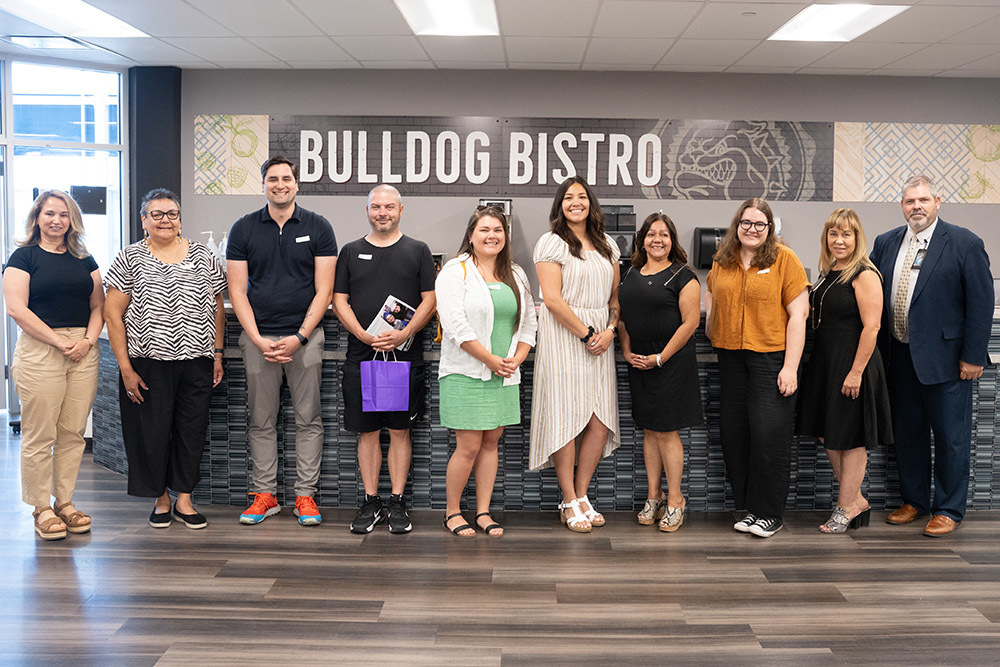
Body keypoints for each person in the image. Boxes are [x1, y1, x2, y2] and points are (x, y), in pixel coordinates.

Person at [870, 174, 994, 537]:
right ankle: (914, 501)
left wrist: (973, 357)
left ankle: (949, 508)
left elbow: (981, 304)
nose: (916, 207)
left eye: (923, 200)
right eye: (910, 202)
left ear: (938, 201)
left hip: (947, 360)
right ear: (902, 205)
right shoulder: (886, 242)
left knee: (951, 437)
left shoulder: (964, 243)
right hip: (900, 357)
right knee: (908, 434)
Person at [104, 189, 227, 529]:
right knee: (151, 433)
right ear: (144, 220)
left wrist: (216, 353)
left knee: (191, 430)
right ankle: (160, 498)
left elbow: (217, 309)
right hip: (147, 363)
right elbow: (112, 315)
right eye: (156, 214)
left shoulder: (203, 255)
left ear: (180, 218)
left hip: (197, 361)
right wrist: (125, 368)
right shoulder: (130, 258)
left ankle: (184, 499)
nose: (165, 220)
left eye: (171, 213)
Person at [226, 156, 337, 526]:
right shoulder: (243, 229)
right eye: (272, 179)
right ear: (263, 184)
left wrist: (300, 336)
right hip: (258, 340)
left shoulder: (319, 227)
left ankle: (305, 496)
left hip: (305, 339)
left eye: (286, 178)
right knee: (261, 421)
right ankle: (265, 495)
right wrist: (257, 339)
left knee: (309, 419)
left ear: (296, 184)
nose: (280, 184)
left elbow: (325, 290)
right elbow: (237, 291)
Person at [333, 184, 437, 534]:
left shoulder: (418, 251)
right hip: (362, 357)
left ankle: (396, 501)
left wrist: (404, 333)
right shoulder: (350, 252)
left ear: (401, 210)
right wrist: (362, 334)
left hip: (402, 360)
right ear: (367, 211)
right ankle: (370, 502)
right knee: (367, 433)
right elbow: (339, 301)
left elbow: (429, 300)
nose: (382, 212)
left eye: (389, 207)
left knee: (399, 430)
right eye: (376, 207)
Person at [705, 198, 809, 538]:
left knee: (769, 437)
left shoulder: (785, 260)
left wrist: (790, 367)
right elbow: (713, 304)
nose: (752, 229)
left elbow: (799, 316)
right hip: (731, 358)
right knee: (735, 435)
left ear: (770, 229)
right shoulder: (723, 261)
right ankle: (750, 508)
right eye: (746, 223)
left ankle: (770, 513)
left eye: (759, 224)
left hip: (771, 358)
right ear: (737, 226)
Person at [3, 190, 104, 540]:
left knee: (72, 432)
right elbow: (17, 309)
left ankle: (65, 502)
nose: (56, 220)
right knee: (40, 433)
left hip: (82, 349)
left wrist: (88, 341)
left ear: (72, 220)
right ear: (37, 218)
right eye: (49, 214)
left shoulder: (84, 258)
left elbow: (97, 307)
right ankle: (40, 508)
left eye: (63, 214)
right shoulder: (23, 257)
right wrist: (60, 341)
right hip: (41, 348)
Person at [435, 207, 537, 538]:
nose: (491, 235)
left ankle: (482, 511)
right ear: (471, 235)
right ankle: (452, 512)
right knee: (468, 446)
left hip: (505, 374)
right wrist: (489, 359)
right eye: (484, 230)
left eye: (498, 230)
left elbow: (528, 325)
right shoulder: (455, 270)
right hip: (466, 373)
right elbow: (454, 326)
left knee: (491, 443)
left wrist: (515, 359)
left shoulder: (517, 274)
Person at [530, 176, 621, 533]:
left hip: (601, 337)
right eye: (568, 197)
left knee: (599, 420)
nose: (576, 202)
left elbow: (615, 299)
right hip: (566, 336)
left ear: (591, 203)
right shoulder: (551, 243)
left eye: (582, 196)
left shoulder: (607, 245)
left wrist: (610, 331)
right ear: (560, 205)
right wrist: (586, 334)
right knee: (565, 417)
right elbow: (551, 299)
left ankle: (583, 494)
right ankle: (567, 498)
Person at [797, 208, 892, 533]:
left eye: (846, 234)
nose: (839, 240)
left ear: (857, 238)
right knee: (829, 433)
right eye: (834, 234)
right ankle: (856, 500)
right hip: (827, 364)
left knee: (851, 439)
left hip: (854, 365)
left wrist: (855, 373)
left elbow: (872, 327)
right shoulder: (830, 271)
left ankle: (846, 504)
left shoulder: (863, 273)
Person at [618, 212, 702, 533]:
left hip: (671, 360)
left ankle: (676, 499)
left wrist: (660, 358)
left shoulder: (684, 276)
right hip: (640, 360)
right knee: (649, 430)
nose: (657, 240)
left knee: (667, 432)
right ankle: (654, 495)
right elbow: (624, 319)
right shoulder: (631, 274)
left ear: (672, 240)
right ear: (641, 239)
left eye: (664, 235)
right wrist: (627, 350)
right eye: (652, 234)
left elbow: (690, 323)